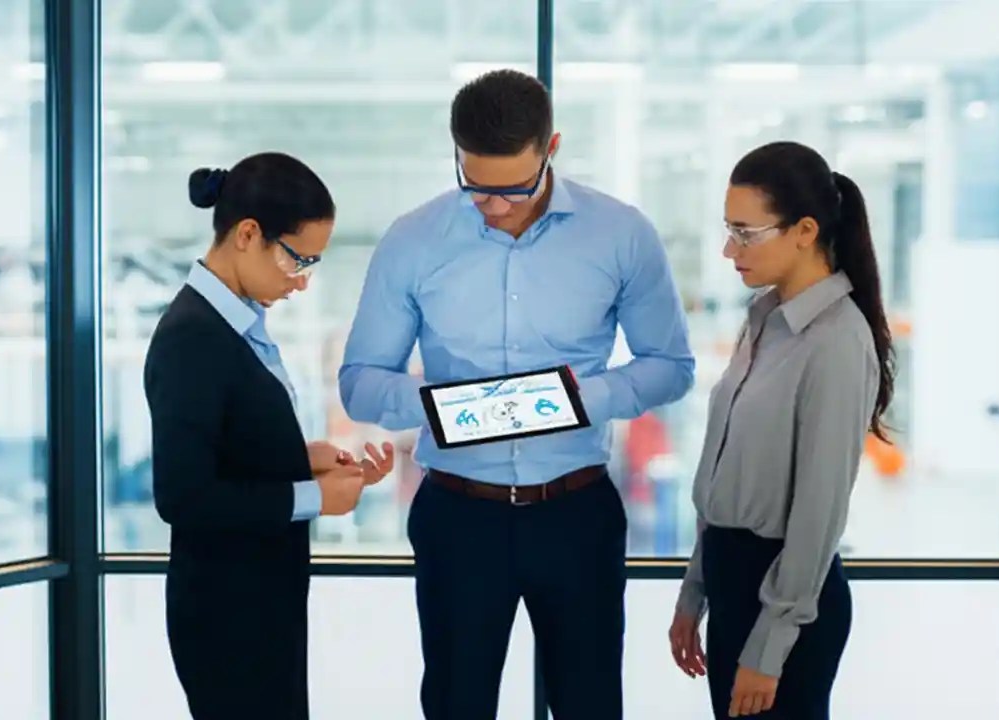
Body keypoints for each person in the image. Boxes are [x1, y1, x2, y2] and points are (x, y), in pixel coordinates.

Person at [339, 69, 695, 719]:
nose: (496, 204)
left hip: (576, 513)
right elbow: (360, 383)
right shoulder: (413, 240)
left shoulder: (621, 235)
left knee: (589, 704)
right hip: (457, 517)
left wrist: (579, 398)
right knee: (455, 704)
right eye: (476, 187)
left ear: (550, 148)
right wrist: (455, 410)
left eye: (515, 187)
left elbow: (670, 365)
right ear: (455, 154)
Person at [144, 151, 395, 720]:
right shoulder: (193, 338)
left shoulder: (239, 323)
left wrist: (304, 460)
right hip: (226, 614)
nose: (302, 282)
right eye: (296, 259)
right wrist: (314, 499)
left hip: (260, 602)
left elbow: (227, 446)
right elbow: (182, 496)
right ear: (247, 234)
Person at [668, 140, 894, 719]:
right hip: (732, 580)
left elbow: (818, 514)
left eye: (746, 233)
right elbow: (722, 475)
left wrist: (769, 649)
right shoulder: (764, 320)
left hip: (785, 598)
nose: (728, 249)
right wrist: (695, 590)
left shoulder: (837, 341)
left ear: (804, 230)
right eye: (728, 230)